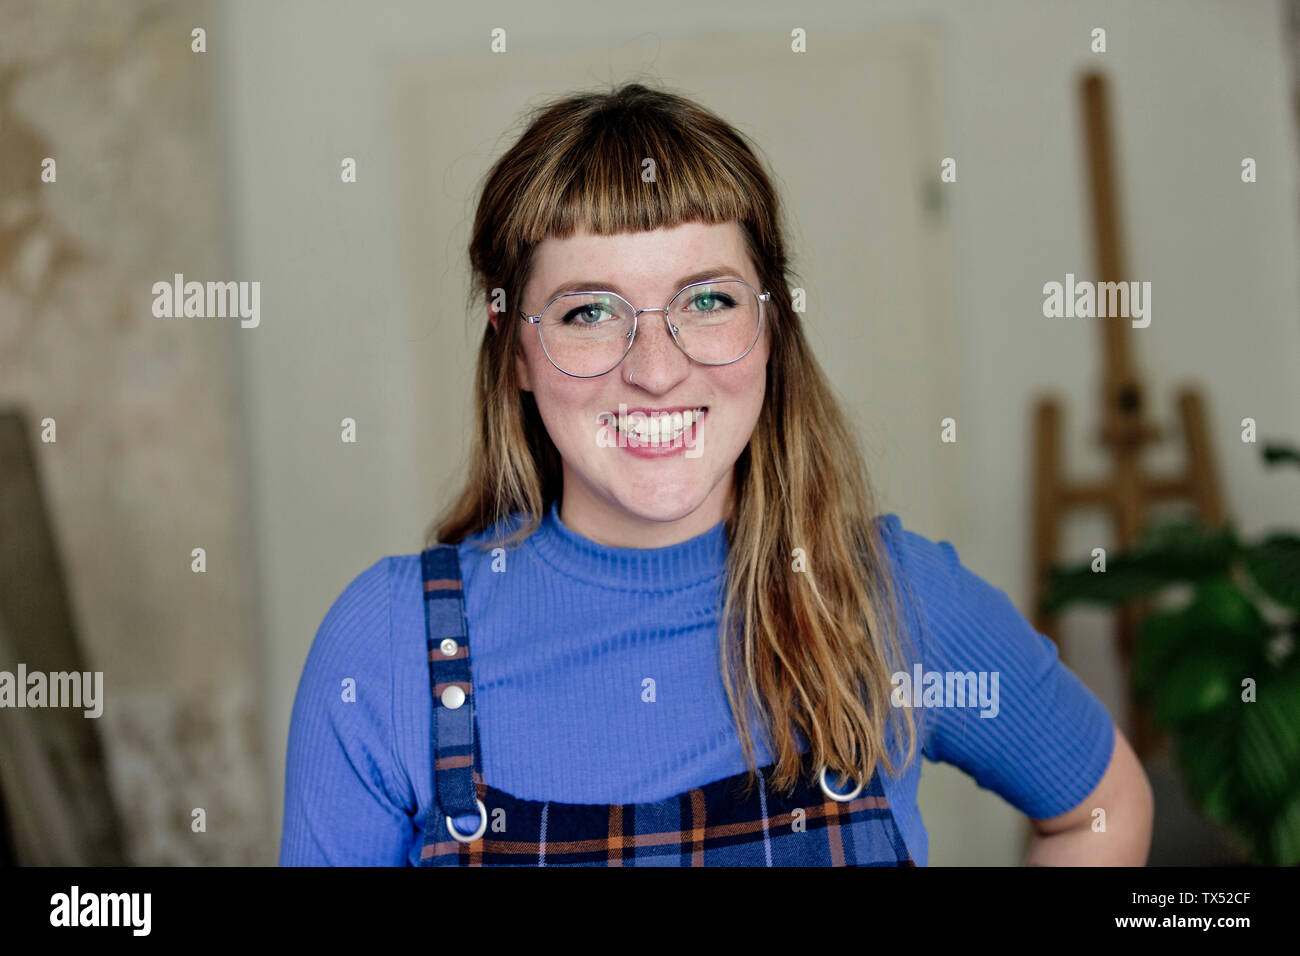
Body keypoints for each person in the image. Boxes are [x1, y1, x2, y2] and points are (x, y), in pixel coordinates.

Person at [280, 82, 1153, 866]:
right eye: (589, 311)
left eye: (708, 300)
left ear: (769, 331)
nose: (656, 370)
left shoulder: (889, 599)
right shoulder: (389, 651)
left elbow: (1103, 809)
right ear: (516, 352)